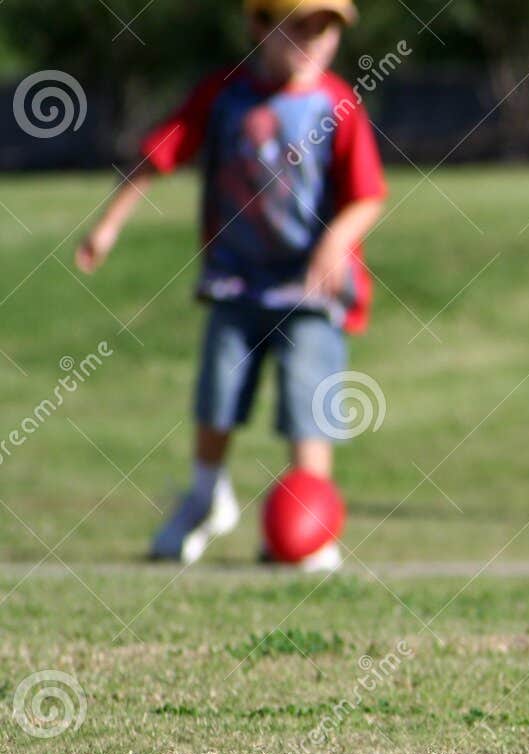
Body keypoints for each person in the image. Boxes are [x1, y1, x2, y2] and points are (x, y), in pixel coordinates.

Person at [76, 0, 386, 570]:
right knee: (217, 396)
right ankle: (204, 497)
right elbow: (160, 153)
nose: (313, 41)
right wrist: (108, 225)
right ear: (258, 27)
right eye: (298, 27)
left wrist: (334, 242)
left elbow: (367, 195)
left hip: (309, 292)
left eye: (325, 29)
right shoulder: (224, 95)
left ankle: (305, 530)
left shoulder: (338, 104)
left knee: (309, 404)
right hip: (236, 284)